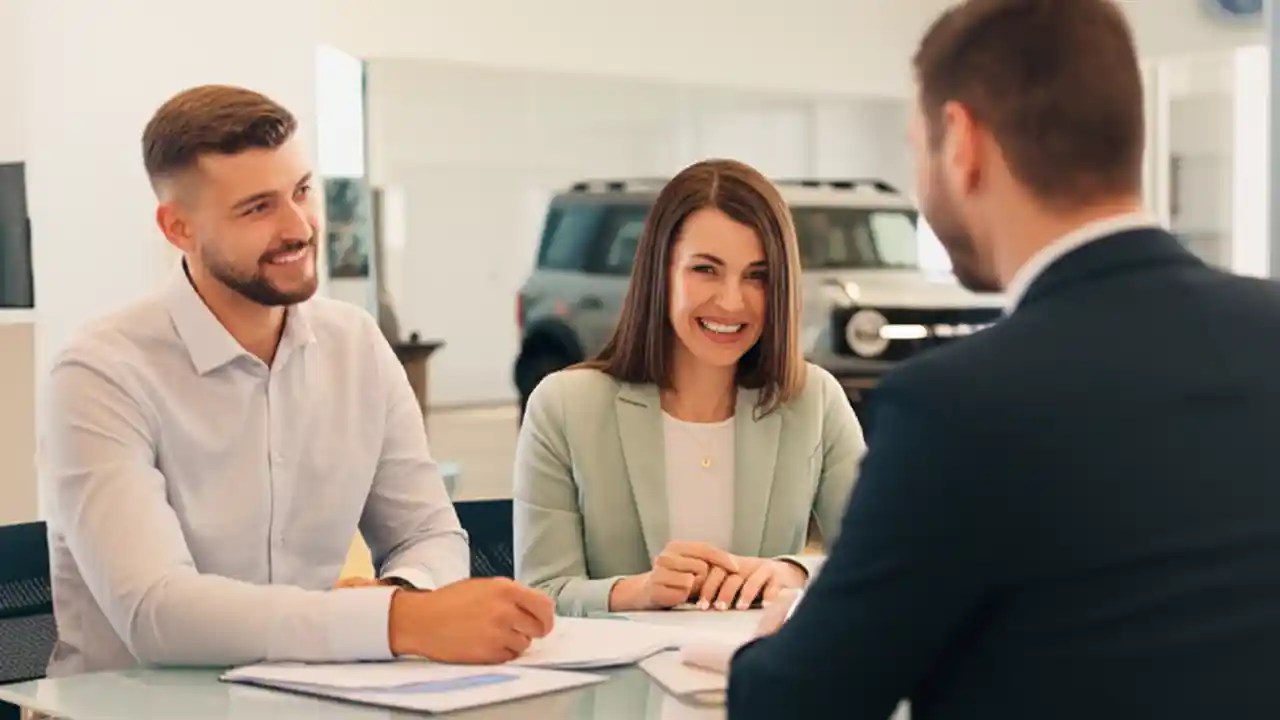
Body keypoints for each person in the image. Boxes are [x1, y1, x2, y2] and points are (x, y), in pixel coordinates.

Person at [728, 1, 1280, 718]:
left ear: (960, 142)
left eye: (915, 145)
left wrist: (766, 645)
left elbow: (799, 704)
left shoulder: (954, 409)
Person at [40, 85, 552, 676]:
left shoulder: (354, 344)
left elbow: (430, 534)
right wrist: (399, 622)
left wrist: (400, 590)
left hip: (305, 696)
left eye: (302, 191)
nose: (299, 227)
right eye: (257, 207)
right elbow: (158, 614)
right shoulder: (100, 372)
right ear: (177, 227)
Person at [513, 159, 865, 617]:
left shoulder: (814, 399)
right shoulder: (563, 407)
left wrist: (793, 573)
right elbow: (541, 594)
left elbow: (878, 563)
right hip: (618, 685)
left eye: (757, 276)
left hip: (758, 677)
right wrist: (638, 591)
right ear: (661, 272)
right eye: (705, 269)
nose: (731, 301)